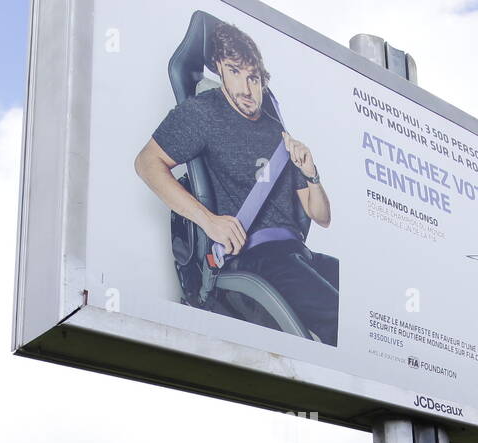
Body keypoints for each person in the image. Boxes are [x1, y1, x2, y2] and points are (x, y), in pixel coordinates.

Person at [135, 21, 339, 346]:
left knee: (366, 306)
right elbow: (147, 164)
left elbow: (321, 216)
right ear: (218, 67)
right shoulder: (203, 113)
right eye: (234, 72)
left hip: (299, 254)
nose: (245, 88)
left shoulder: (274, 124)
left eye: (253, 77)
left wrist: (312, 174)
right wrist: (209, 221)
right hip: (256, 258)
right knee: (339, 314)